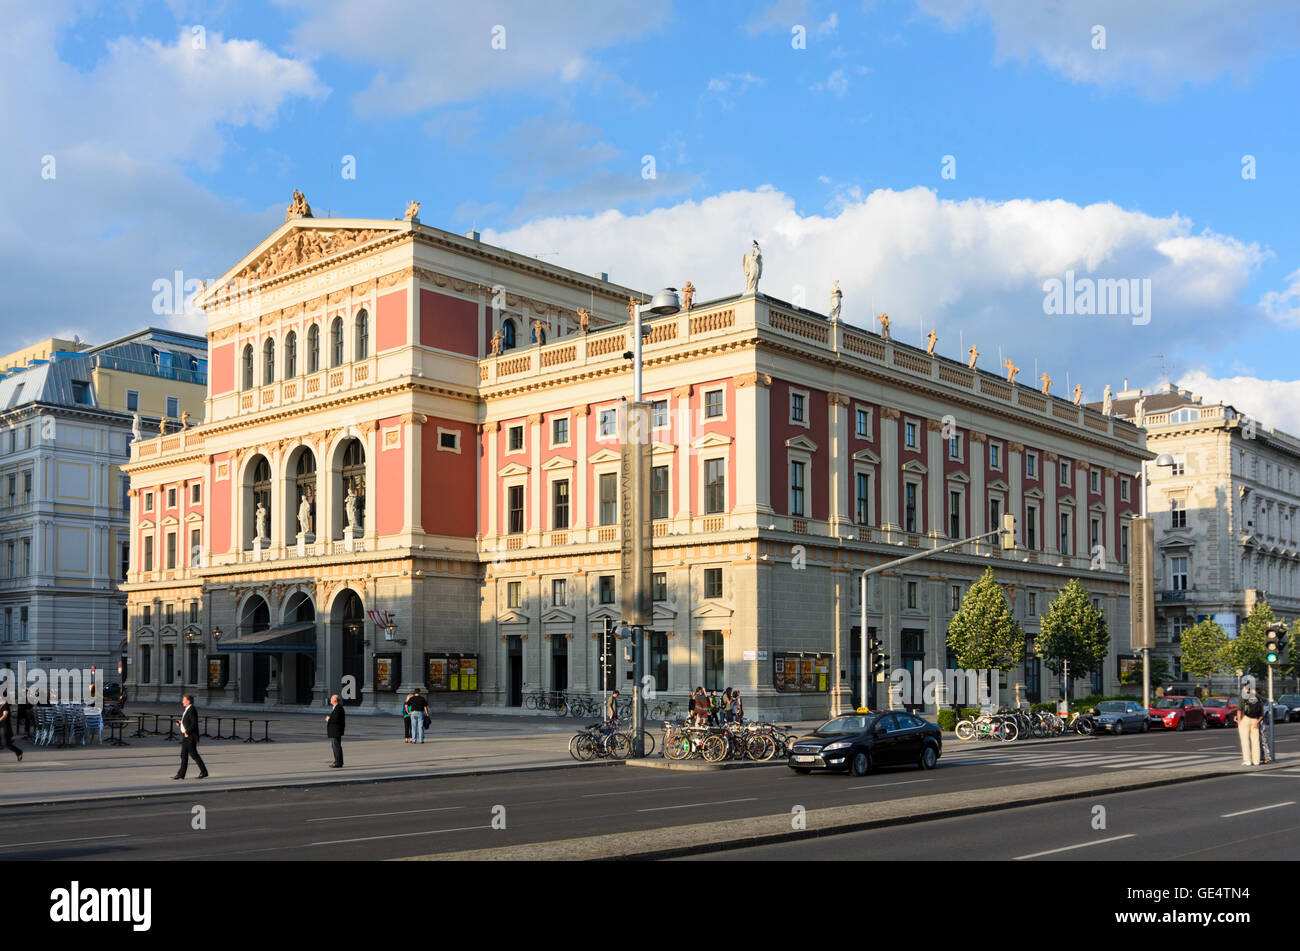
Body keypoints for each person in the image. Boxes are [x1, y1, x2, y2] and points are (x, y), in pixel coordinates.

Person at [172, 695, 206, 779]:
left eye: (184, 700)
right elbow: (188, 722)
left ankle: (204, 772)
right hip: (186, 736)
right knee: (184, 755)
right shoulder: (187, 709)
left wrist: (187, 732)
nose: (182, 701)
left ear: (188, 701)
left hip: (190, 736)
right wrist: (180, 723)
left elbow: (194, 723)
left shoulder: (192, 709)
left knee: (193, 754)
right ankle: (181, 774)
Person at [1239, 684, 1264, 766]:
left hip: (1245, 719)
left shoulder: (1243, 696)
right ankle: (1256, 761)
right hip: (1255, 720)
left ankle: (1247, 761)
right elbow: (1262, 713)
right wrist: (1257, 722)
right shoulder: (1258, 698)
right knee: (1255, 741)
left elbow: (1239, 709)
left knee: (1245, 741)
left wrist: (1239, 721)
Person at [326, 694, 346, 767]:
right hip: (335, 731)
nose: (330, 699)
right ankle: (337, 761)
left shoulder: (338, 708)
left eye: (331, 698)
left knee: (336, 747)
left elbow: (336, 719)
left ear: (334, 700)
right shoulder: (336, 707)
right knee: (335, 746)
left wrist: (329, 719)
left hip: (336, 731)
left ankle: (338, 762)